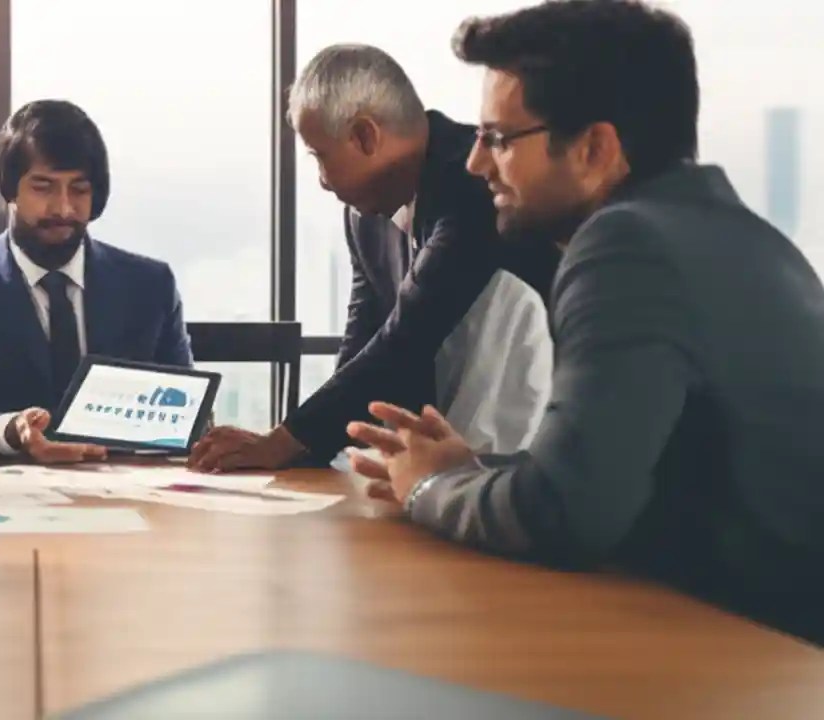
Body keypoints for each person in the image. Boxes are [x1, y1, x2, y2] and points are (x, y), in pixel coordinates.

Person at [348, 0, 824, 645]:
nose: (475, 164)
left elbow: (564, 514)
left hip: (739, 654)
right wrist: (476, 470)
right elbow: (614, 470)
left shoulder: (625, 246)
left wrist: (429, 485)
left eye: (498, 138)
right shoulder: (750, 241)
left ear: (595, 147)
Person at [190, 44, 557, 472]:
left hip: (525, 449)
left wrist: (280, 443)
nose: (323, 182)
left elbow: (406, 336)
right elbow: (363, 337)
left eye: (320, 156)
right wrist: (321, 449)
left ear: (365, 135)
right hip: (433, 460)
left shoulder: (474, 184)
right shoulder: (365, 214)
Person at [0, 100, 192, 463]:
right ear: (9, 189)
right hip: (9, 496)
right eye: (44, 187)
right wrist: (13, 430)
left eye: (78, 190)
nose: (63, 209)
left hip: (129, 488)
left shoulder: (149, 285)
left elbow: (184, 412)